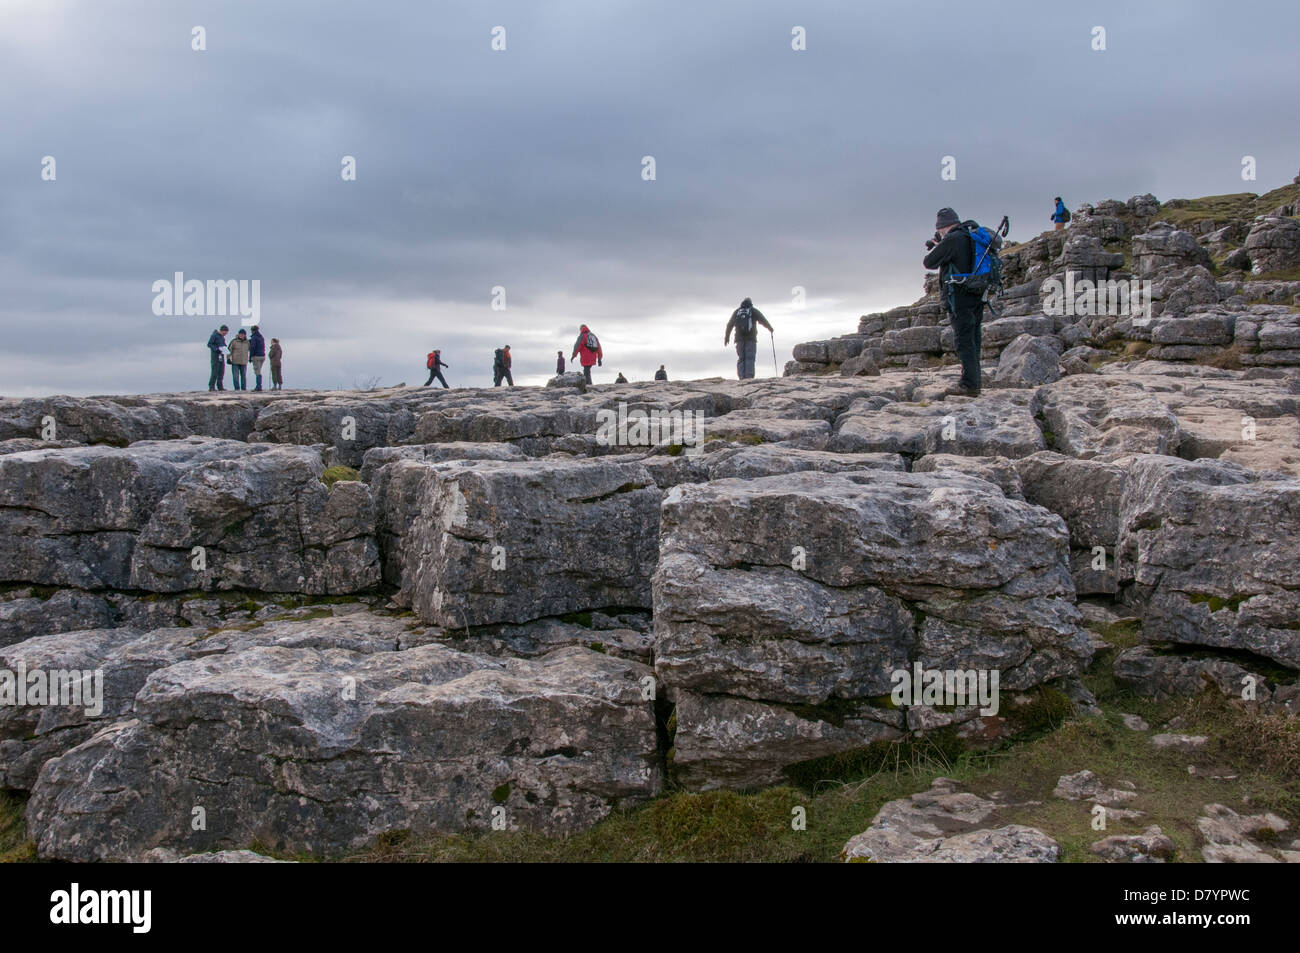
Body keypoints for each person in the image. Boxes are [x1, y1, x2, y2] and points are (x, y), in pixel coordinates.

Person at [923, 207, 984, 396]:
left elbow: (929, 262)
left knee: (963, 340)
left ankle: (969, 385)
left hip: (959, 297)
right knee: (974, 338)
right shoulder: (970, 235)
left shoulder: (952, 239)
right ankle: (975, 380)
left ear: (942, 227)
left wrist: (938, 244)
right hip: (977, 293)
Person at [724, 297, 773, 379]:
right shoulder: (753, 311)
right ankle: (749, 377)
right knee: (750, 358)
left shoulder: (737, 312)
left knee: (741, 358)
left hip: (739, 339)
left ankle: (741, 377)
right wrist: (770, 328)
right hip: (751, 339)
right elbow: (763, 320)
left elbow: (729, 324)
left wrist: (727, 337)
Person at [206, 324, 228, 391]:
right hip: (215, 356)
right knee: (215, 371)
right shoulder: (214, 335)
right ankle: (211, 386)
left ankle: (220, 387)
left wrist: (225, 349)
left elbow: (223, 344)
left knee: (221, 371)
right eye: (225, 333)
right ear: (222, 331)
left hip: (221, 356)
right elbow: (209, 344)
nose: (225, 334)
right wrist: (216, 349)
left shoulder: (222, 337)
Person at [249, 325, 267, 391]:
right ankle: (259, 385)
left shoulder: (254, 337)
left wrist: (250, 356)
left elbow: (252, 347)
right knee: (259, 370)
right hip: (262, 356)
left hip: (256, 356)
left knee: (257, 371)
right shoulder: (261, 337)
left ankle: (258, 386)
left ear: (252, 330)